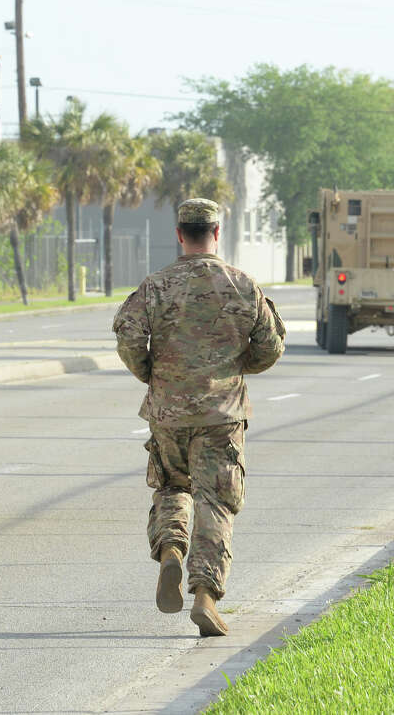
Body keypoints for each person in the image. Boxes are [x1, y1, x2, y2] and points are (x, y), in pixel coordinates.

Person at [112, 198, 285, 637]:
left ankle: (171, 548)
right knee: (216, 501)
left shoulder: (156, 285)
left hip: (168, 411)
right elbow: (271, 344)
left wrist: (153, 373)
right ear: (217, 233)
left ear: (179, 234)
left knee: (172, 485)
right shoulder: (242, 284)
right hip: (221, 413)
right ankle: (205, 594)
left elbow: (128, 334)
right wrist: (236, 365)